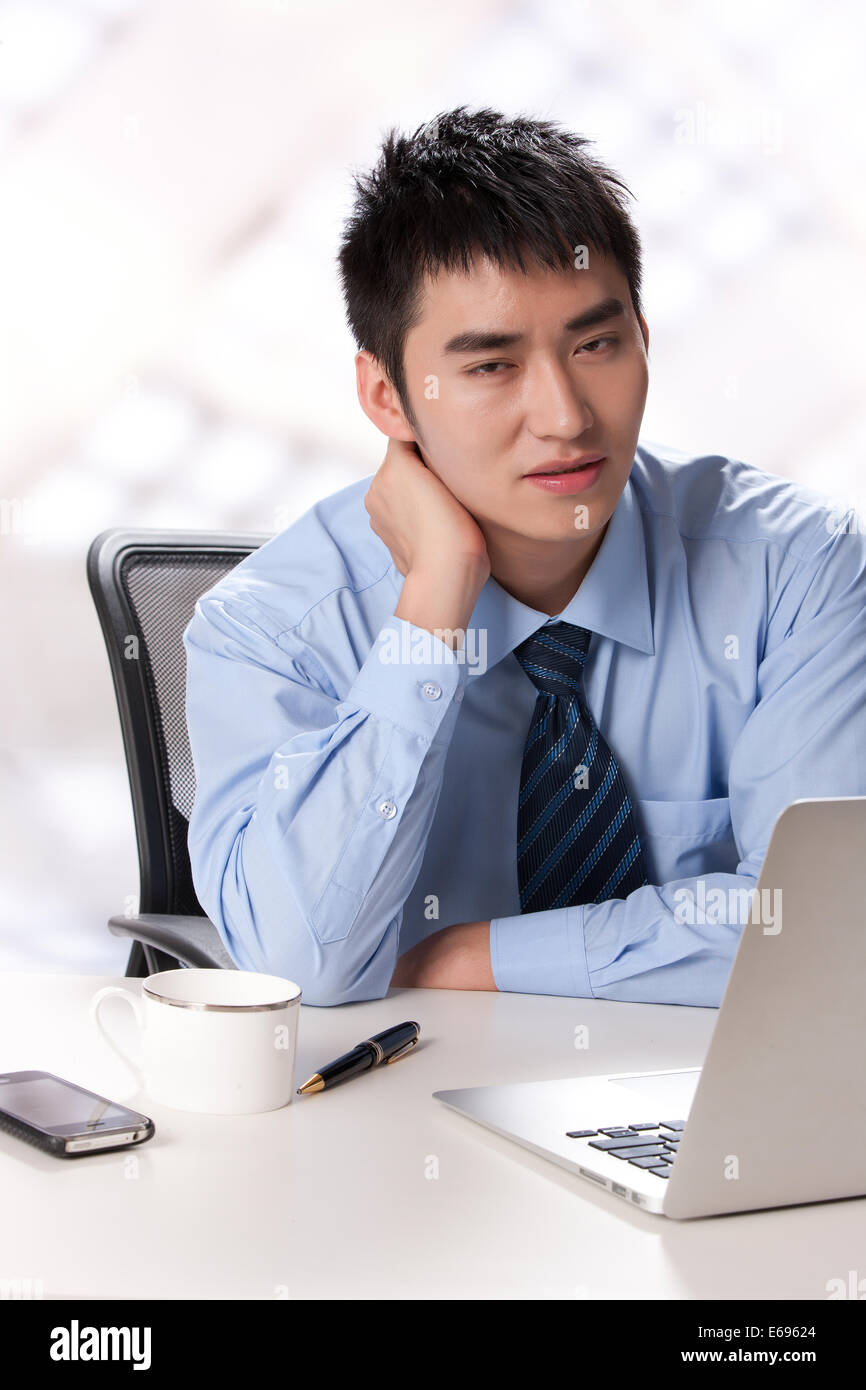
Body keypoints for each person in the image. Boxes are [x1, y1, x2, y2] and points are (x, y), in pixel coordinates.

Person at [183, 105, 866, 1007]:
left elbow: (823, 927)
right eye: (492, 366)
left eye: (596, 344)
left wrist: (474, 958)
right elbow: (294, 967)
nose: (566, 416)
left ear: (644, 338)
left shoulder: (800, 570)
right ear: (387, 396)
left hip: (698, 1084)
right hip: (402, 1084)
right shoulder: (269, 628)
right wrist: (432, 608)